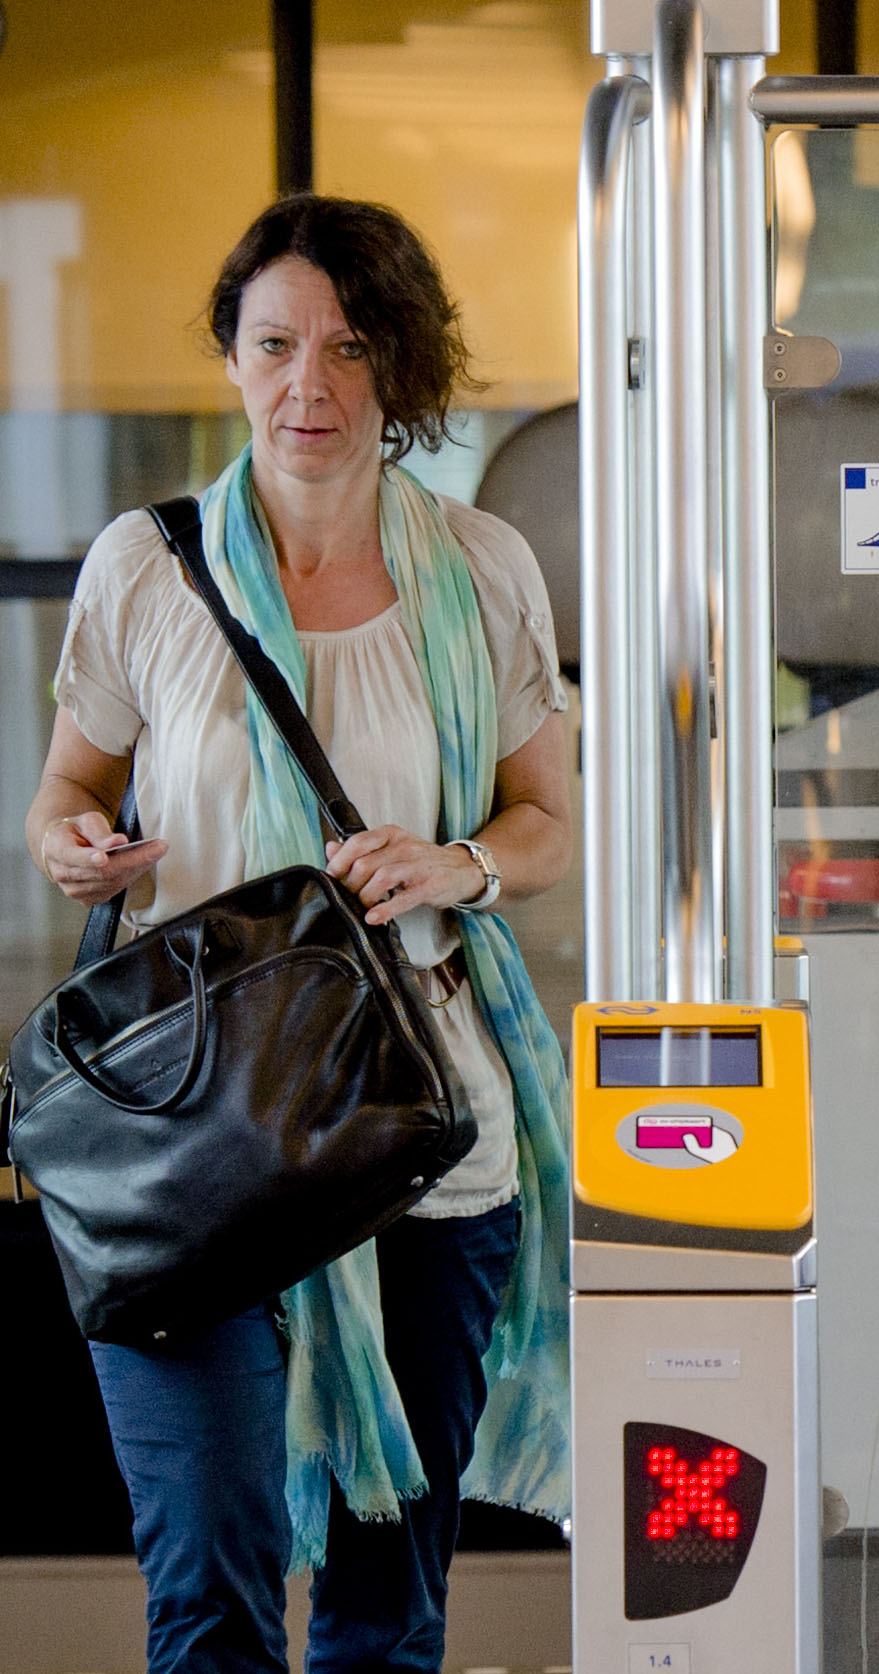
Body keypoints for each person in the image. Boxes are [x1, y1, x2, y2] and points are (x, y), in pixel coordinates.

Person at [24, 196, 574, 1674]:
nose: (307, 386)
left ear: (399, 368)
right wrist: (77, 843)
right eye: (274, 345)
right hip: (188, 1143)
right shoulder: (149, 568)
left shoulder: (478, 569)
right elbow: (63, 791)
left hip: (413, 1130)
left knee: (389, 1617)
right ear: (231, 358)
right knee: (205, 1586)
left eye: (346, 347)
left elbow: (547, 821)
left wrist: (455, 861)